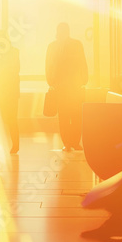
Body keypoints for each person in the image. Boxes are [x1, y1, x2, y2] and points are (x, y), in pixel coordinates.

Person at [46, 23, 88, 151]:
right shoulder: (76, 44)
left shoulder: (53, 46)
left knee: (64, 116)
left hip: (62, 86)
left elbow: (49, 65)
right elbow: (83, 62)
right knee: (75, 115)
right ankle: (73, 142)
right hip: (73, 86)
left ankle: (68, 143)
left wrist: (51, 82)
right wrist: (84, 80)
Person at [0, 30, 20, 154]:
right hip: (10, 90)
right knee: (11, 119)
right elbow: (15, 70)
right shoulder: (14, 52)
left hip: (3, 90)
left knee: (1, 118)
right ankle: (14, 144)